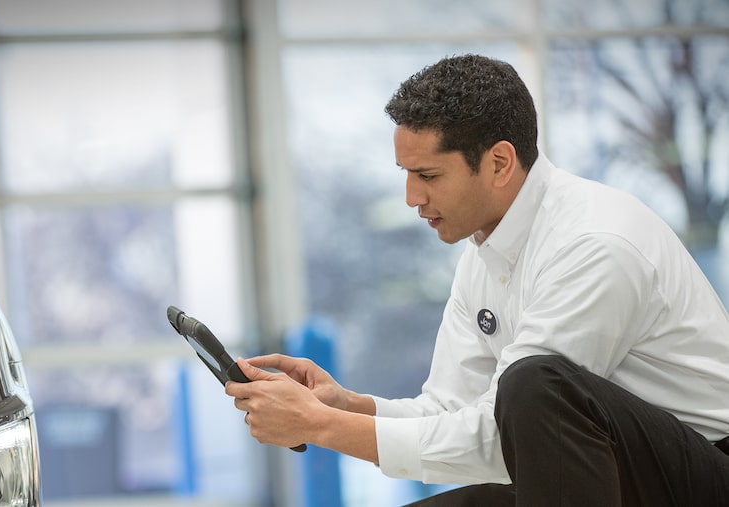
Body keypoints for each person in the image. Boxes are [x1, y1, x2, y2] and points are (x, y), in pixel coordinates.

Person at [226, 54, 729, 506]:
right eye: (405, 173)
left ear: (499, 163)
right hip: (610, 468)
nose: (411, 198)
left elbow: (509, 433)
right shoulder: (485, 245)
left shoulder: (594, 243)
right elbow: (454, 408)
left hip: (704, 472)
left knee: (535, 381)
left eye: (428, 175)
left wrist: (322, 425)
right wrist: (349, 406)